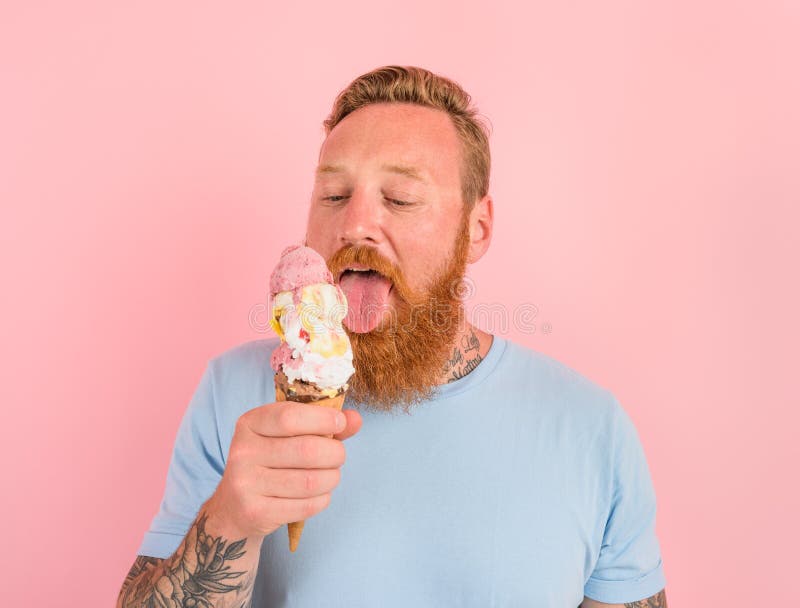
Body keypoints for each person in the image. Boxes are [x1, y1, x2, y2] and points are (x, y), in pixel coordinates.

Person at [117, 66, 668, 608]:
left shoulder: (592, 428)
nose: (354, 224)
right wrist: (230, 520)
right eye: (333, 194)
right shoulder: (230, 392)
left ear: (477, 229)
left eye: (400, 198)